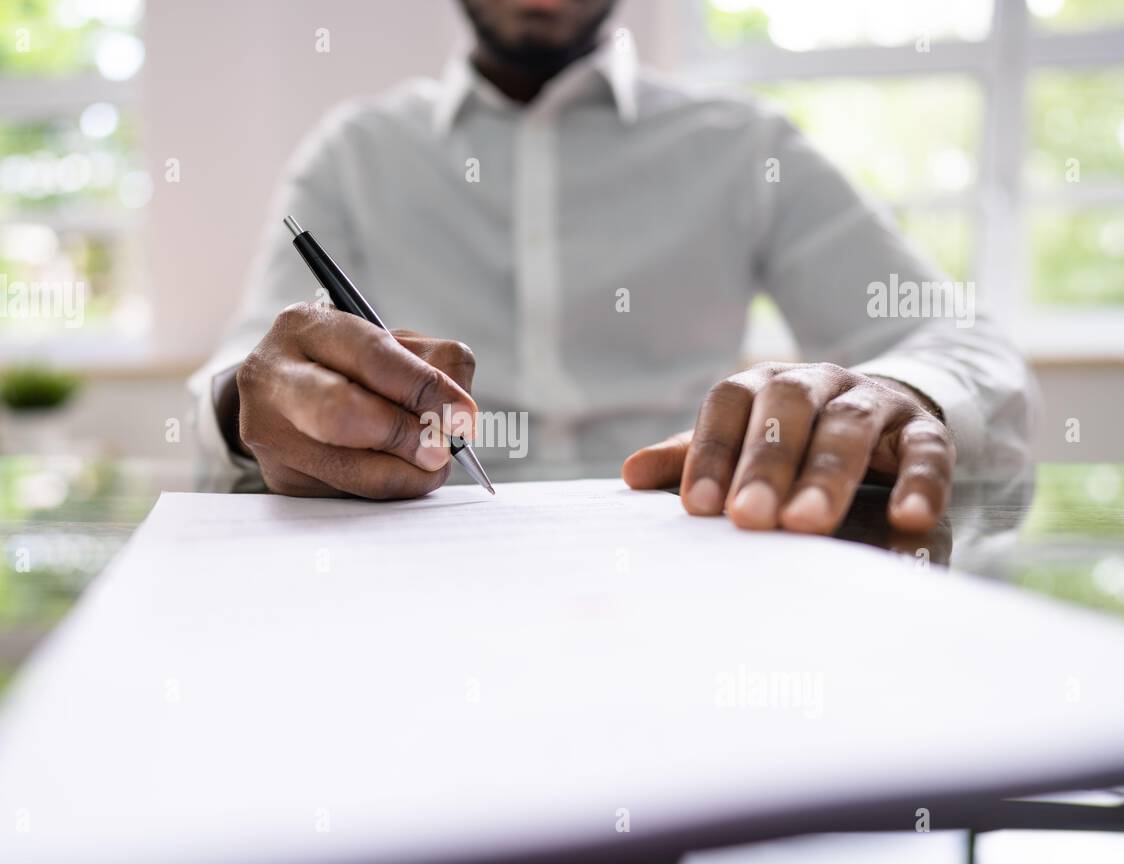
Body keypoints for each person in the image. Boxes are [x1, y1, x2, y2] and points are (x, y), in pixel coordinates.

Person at [189, 0, 1033, 535]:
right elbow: (239, 381)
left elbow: (964, 348)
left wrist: (903, 395)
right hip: (402, 589)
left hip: (699, 560)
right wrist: (252, 404)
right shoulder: (355, 152)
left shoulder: (745, 145)